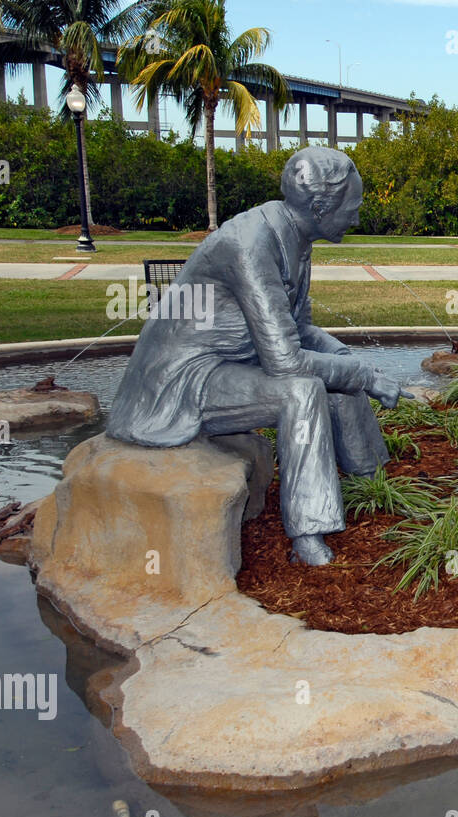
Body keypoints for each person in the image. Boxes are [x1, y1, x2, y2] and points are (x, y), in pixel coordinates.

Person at [106, 146, 411, 566]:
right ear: (320, 207)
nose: (356, 217)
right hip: (182, 382)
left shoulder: (296, 236)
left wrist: (348, 360)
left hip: (236, 362)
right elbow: (288, 363)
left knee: (339, 367)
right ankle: (308, 536)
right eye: (352, 207)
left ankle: (373, 480)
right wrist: (363, 374)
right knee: (302, 392)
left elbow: (299, 330)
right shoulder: (250, 243)